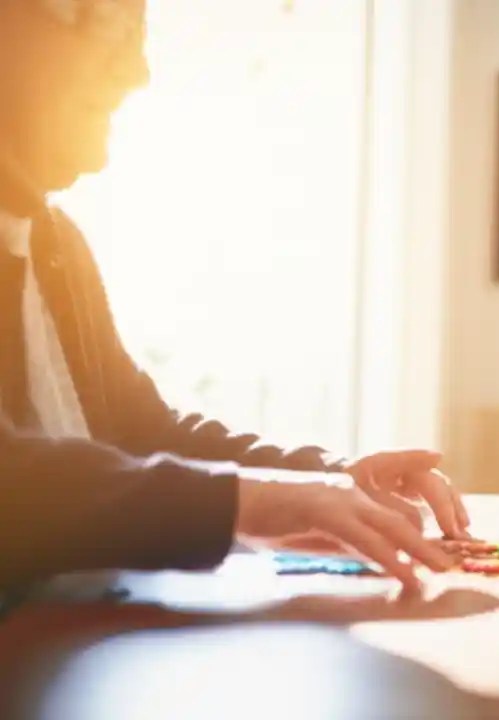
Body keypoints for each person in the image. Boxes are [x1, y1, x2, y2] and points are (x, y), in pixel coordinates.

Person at [0, 0, 471, 605]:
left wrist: (329, 480)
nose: (136, 70)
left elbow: (141, 432)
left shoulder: (53, 239)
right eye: (106, 23)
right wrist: (255, 501)